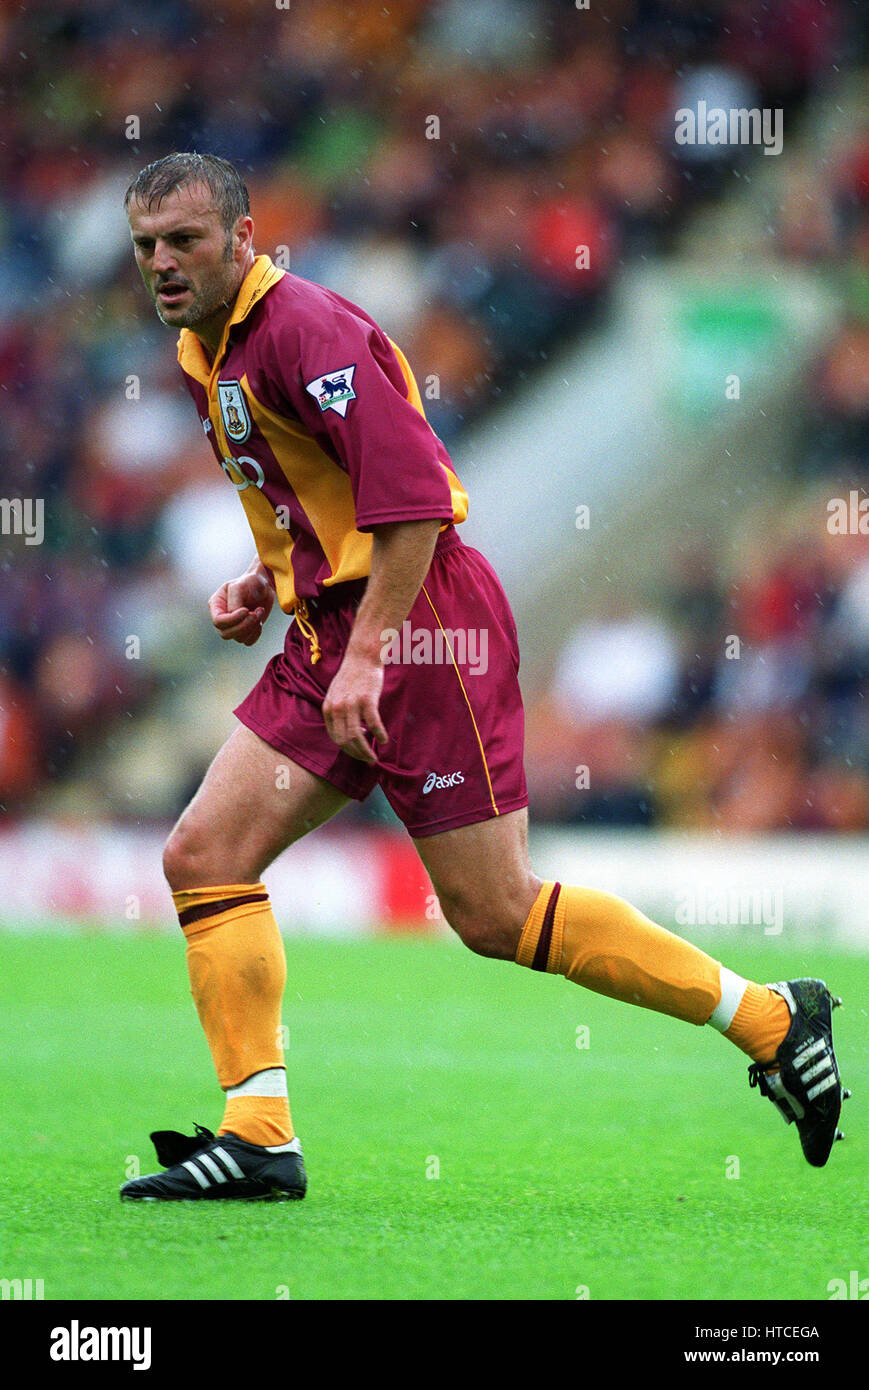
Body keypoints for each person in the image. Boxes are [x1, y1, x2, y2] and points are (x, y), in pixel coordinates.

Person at [120, 153, 846, 1201]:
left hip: (419, 628)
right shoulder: (206, 348)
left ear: (242, 239)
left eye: (183, 240)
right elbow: (314, 488)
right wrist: (268, 579)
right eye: (146, 246)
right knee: (203, 854)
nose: (162, 264)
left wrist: (370, 650)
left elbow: (412, 498)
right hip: (335, 627)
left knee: (494, 913)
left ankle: (772, 1019)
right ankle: (260, 1134)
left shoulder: (304, 329)